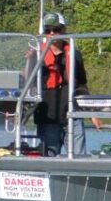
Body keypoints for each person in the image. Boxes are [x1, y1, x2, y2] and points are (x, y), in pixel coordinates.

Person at [30, 11, 88, 156]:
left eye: (56, 30)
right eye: (47, 30)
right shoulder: (36, 55)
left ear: (63, 30)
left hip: (72, 114)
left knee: (78, 156)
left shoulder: (74, 53)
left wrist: (92, 114)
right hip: (47, 115)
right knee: (49, 153)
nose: (52, 33)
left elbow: (82, 85)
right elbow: (27, 85)